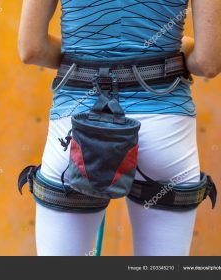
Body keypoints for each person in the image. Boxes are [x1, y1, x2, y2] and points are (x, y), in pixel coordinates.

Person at [18, 0, 221, 256]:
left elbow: (32, 49)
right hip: (165, 131)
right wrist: (168, 50)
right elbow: (208, 62)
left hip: (77, 130)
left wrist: (89, 53)